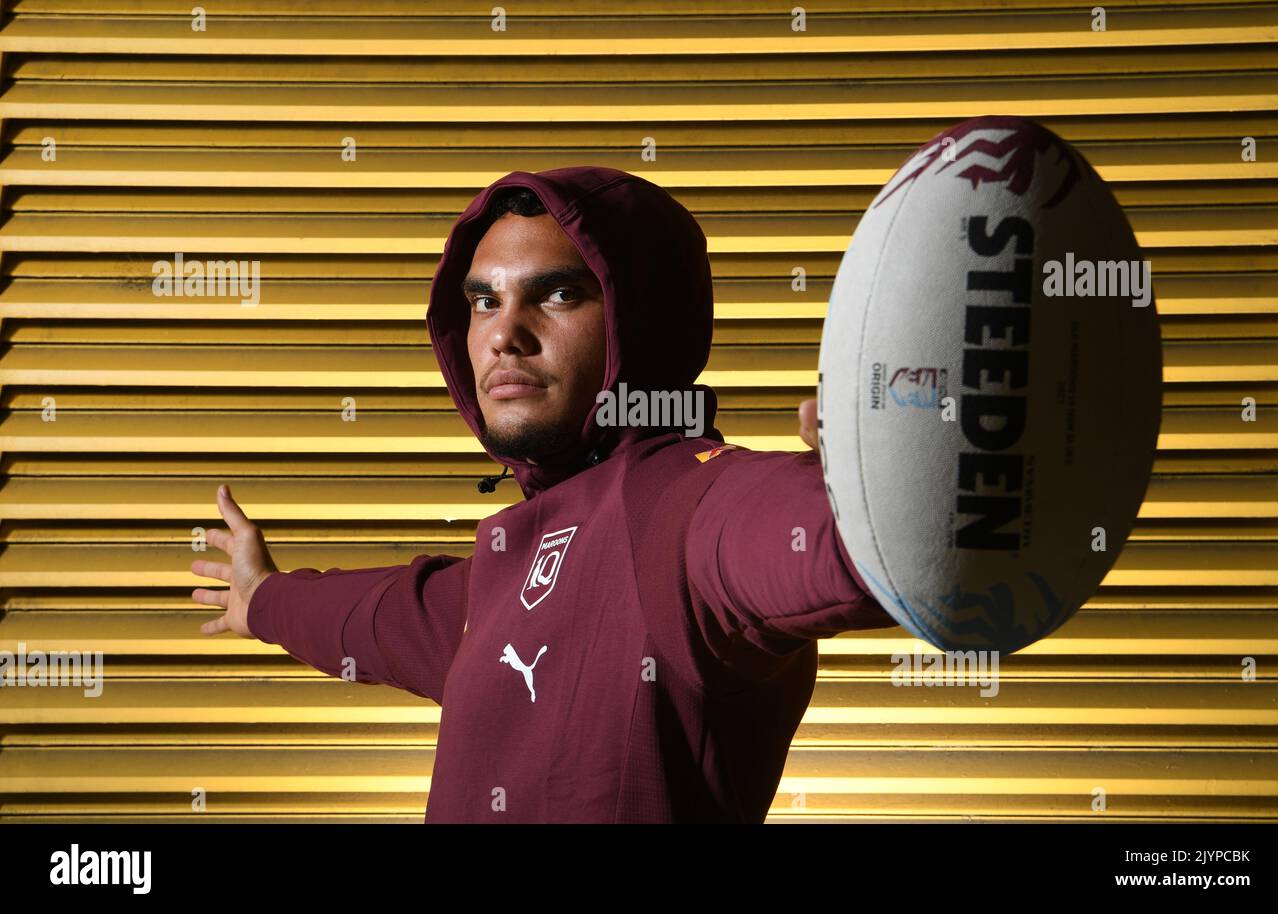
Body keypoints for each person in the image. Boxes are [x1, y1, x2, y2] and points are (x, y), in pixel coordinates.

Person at [190, 166, 893, 823]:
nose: (504, 335)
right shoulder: (506, 569)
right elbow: (381, 615)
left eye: (558, 293)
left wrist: (876, 504)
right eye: (484, 301)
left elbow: (803, 539)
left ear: (642, 318)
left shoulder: (688, 504)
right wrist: (264, 600)